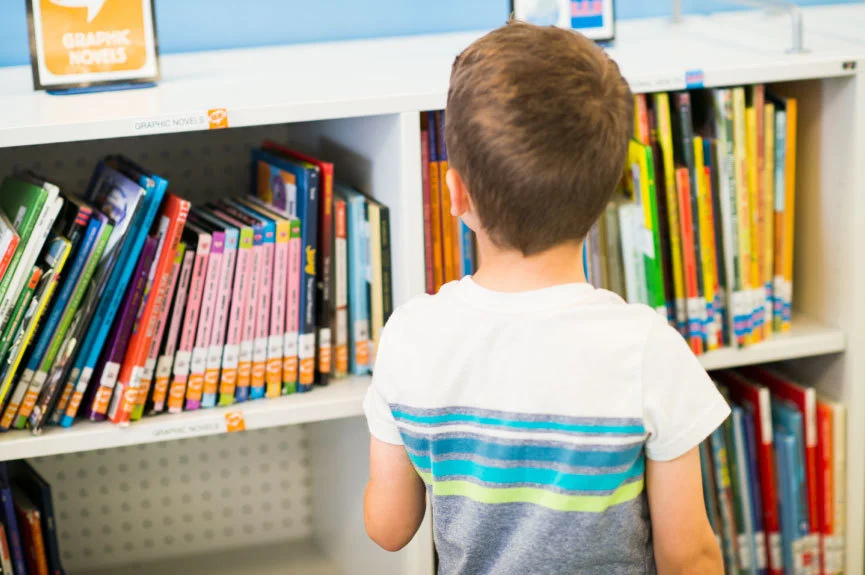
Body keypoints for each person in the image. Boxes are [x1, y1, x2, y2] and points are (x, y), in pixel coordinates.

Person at [363, 20, 728, 575]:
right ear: (608, 191)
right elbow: (690, 556)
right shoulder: (647, 349)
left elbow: (389, 528)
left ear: (456, 193)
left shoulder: (410, 335)